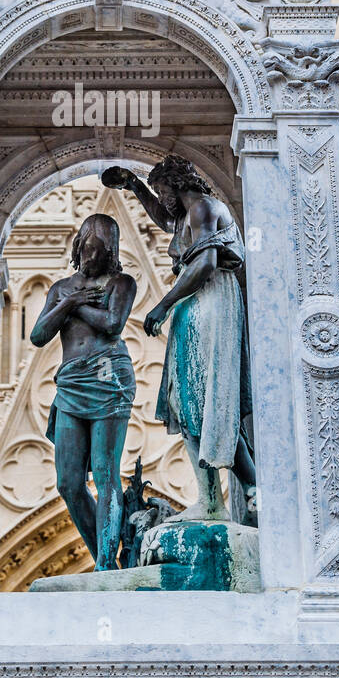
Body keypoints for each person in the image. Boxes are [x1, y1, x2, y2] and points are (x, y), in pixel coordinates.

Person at [102, 157, 258, 524]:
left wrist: (163, 305)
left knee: (209, 399)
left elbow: (204, 264)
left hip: (210, 299)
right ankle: (211, 500)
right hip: (193, 303)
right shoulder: (188, 215)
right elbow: (166, 220)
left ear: (176, 185)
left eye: (162, 190)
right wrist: (134, 185)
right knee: (185, 400)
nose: (162, 198)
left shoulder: (205, 207)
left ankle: (251, 485)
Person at [30, 213, 137, 569]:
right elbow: (38, 335)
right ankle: (104, 557)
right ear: (78, 247)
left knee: (107, 474)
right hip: (72, 383)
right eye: (88, 249)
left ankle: (107, 565)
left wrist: (80, 305)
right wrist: (68, 303)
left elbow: (112, 324)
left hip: (109, 380)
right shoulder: (62, 288)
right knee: (69, 482)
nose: (93, 257)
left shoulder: (121, 283)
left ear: (111, 252)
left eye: (102, 251)